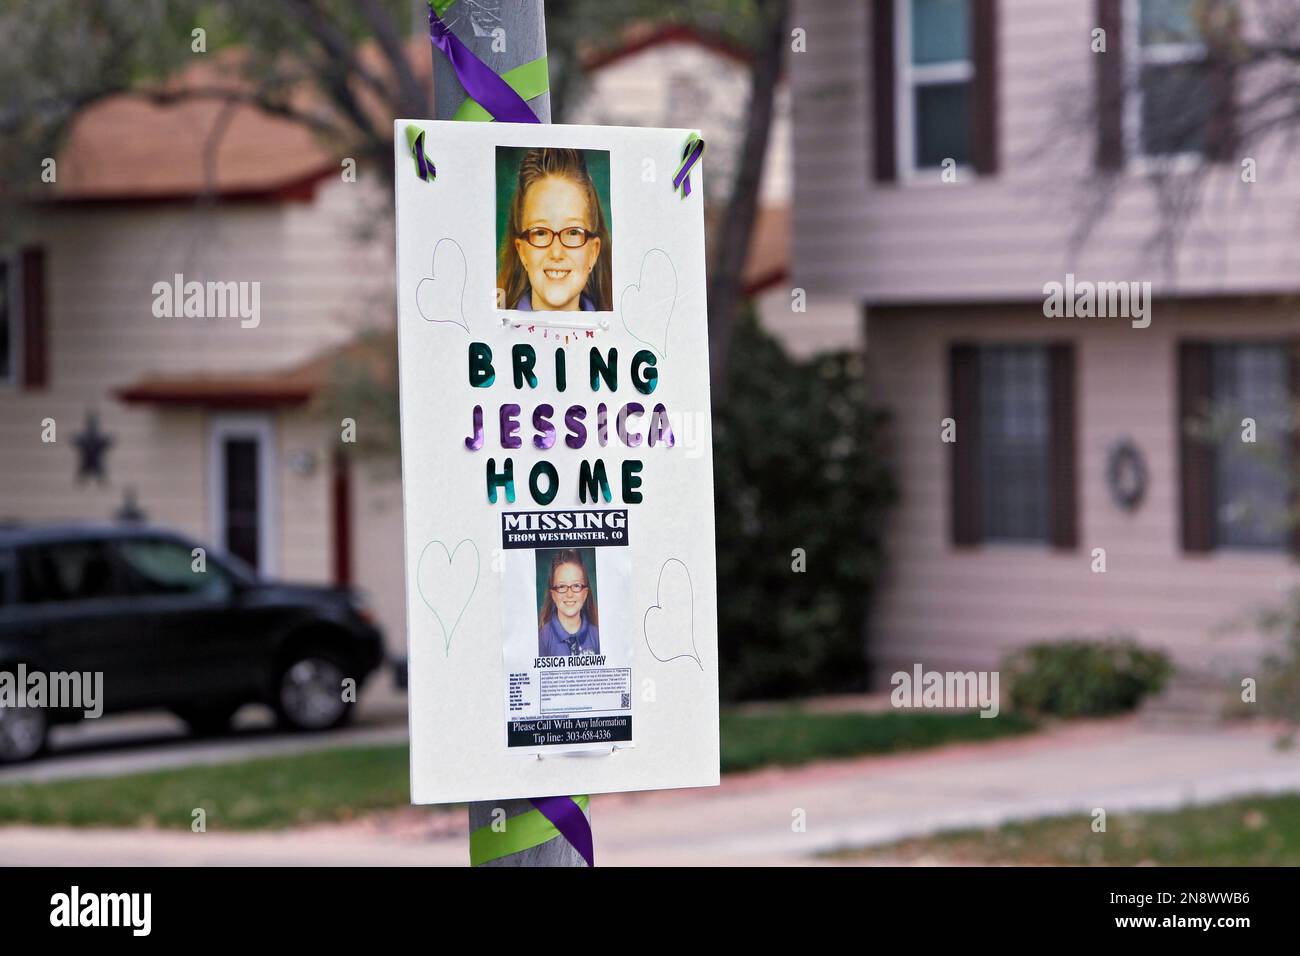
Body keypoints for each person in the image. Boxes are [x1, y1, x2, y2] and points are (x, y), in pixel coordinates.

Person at [497, 148, 612, 312]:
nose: (556, 253)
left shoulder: (618, 335)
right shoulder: (486, 333)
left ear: (593, 252)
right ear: (522, 252)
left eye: (573, 232)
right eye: (540, 232)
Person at [537, 549, 601, 656]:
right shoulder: (542, 639)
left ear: (585, 593)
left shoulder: (598, 636)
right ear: (553, 594)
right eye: (562, 586)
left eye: (576, 586)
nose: (569, 594)